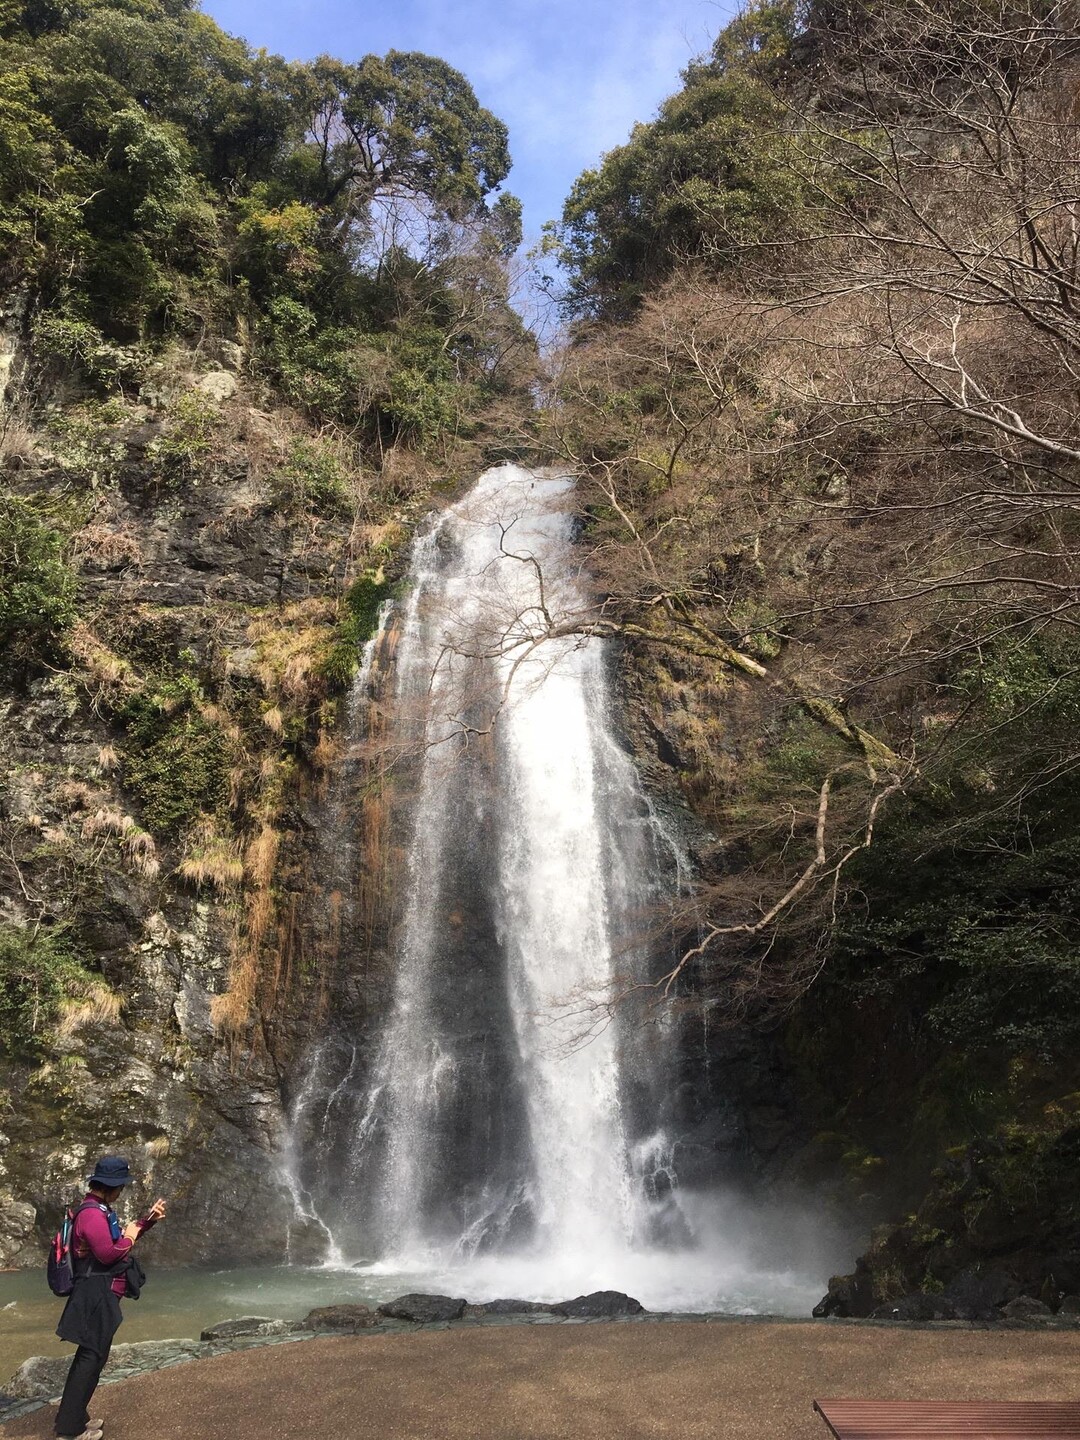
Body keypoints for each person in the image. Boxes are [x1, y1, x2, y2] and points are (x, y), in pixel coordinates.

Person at [53, 1156, 167, 1440]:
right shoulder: (91, 1214)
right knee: (90, 1356)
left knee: (95, 1356)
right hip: (95, 1293)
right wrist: (129, 1237)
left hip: (101, 1291)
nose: (122, 1191)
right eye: (121, 1186)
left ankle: (75, 1416)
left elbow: (115, 1243)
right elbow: (108, 1253)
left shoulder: (100, 1209)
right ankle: (69, 1429)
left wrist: (145, 1222)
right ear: (110, 1186)